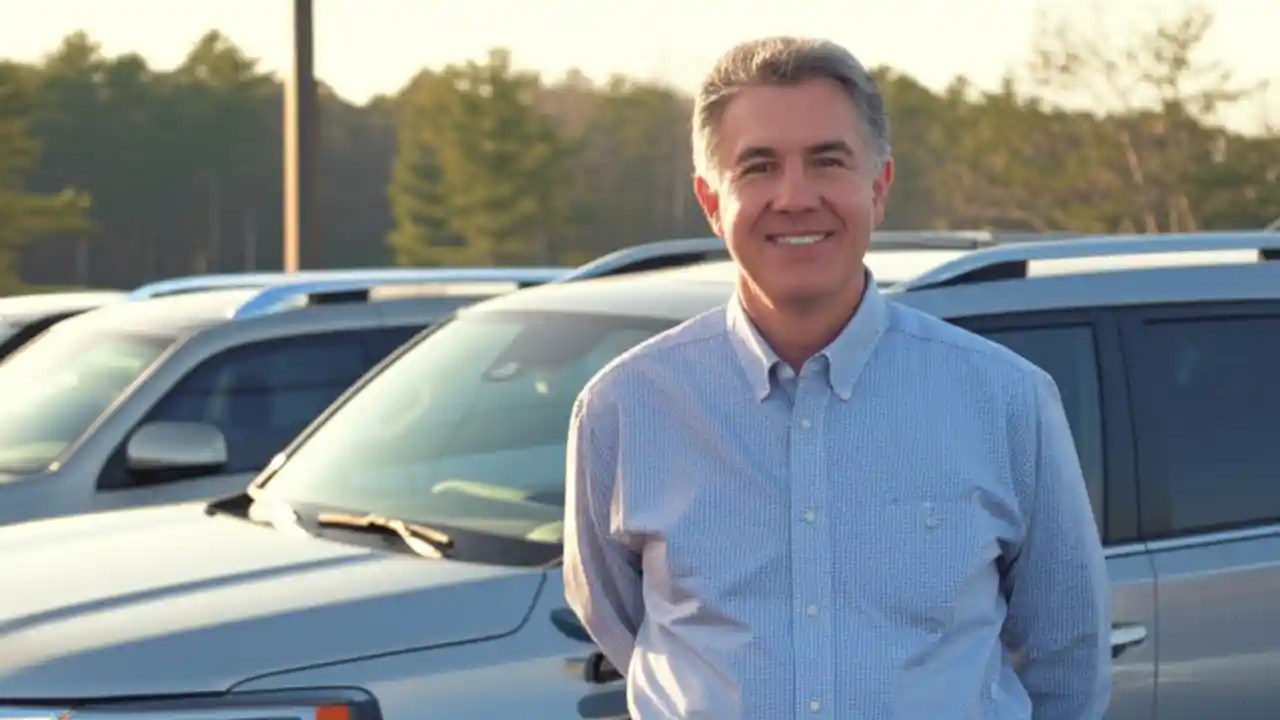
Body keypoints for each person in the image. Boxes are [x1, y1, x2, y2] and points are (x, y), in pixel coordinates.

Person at [563, 35, 1111, 719]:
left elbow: (1069, 655)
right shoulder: (626, 408)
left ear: (878, 186)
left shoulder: (1006, 401)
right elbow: (618, 621)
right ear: (711, 200)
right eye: (758, 167)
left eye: (828, 161)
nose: (795, 197)